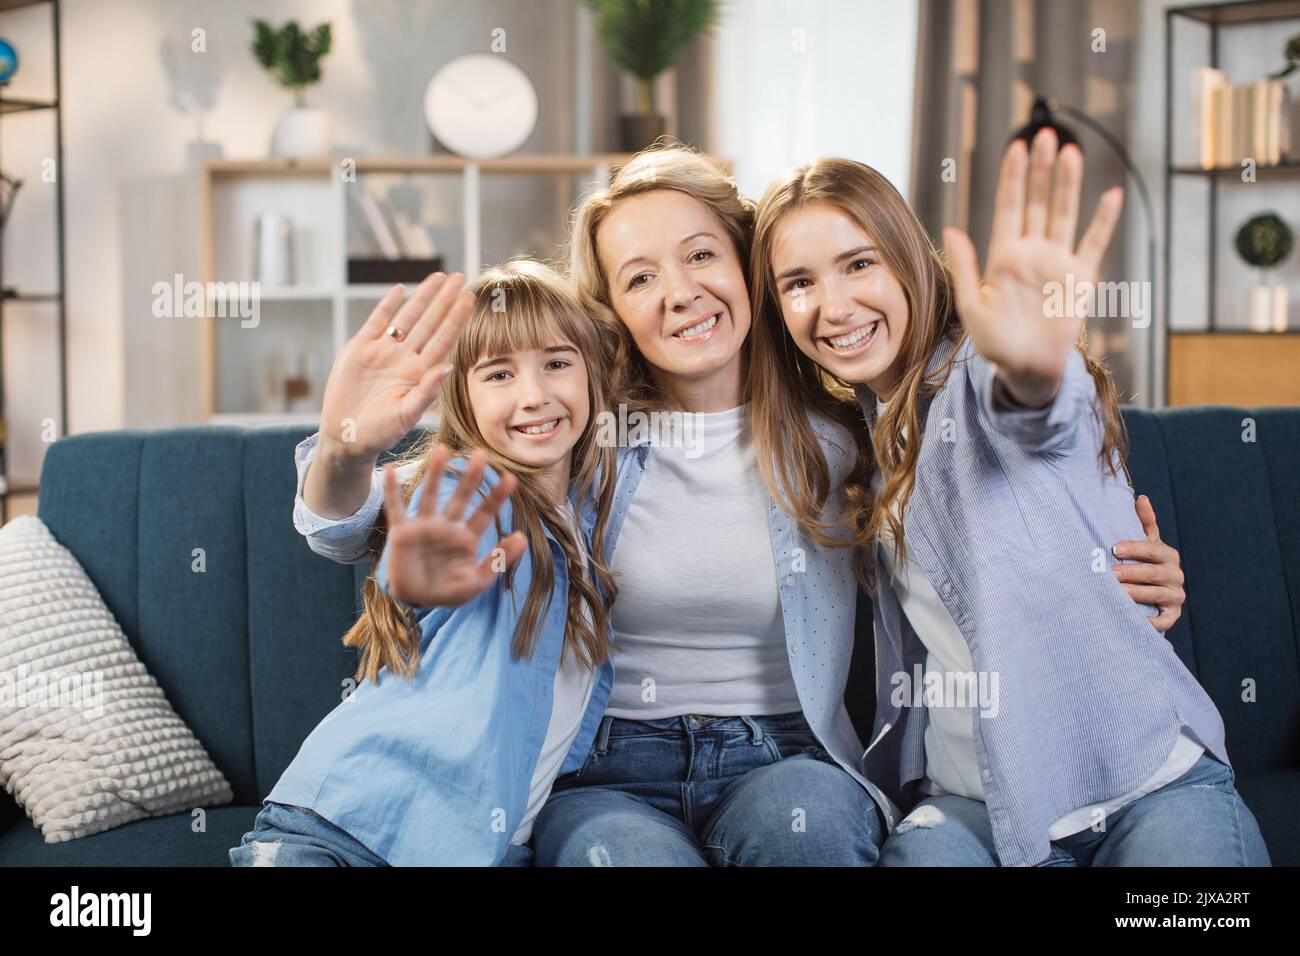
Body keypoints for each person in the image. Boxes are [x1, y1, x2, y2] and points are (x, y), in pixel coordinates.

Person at [291, 145, 1189, 866]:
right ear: (611, 313)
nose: (678, 292)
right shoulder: (578, 439)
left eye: (699, 256)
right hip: (607, 771)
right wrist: (345, 448)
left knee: (816, 831)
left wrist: (1103, 569)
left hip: (785, 753)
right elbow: (359, 523)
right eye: (638, 278)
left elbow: (989, 503)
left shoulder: (847, 439)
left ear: (749, 273)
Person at [748, 130, 1269, 866]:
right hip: (972, 802)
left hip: (1144, 780)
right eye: (798, 282)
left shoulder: (976, 376)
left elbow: (1035, 410)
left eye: (858, 263)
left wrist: (1031, 363)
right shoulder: (850, 437)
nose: (832, 306)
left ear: (907, 261)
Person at [229, 260, 619, 866]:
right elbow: (350, 514)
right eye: (499, 373)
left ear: (592, 373)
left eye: (557, 363)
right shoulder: (469, 484)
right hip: (349, 828)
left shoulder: (594, 508)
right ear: (462, 394)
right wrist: (345, 451)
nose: (534, 394)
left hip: (479, 848)